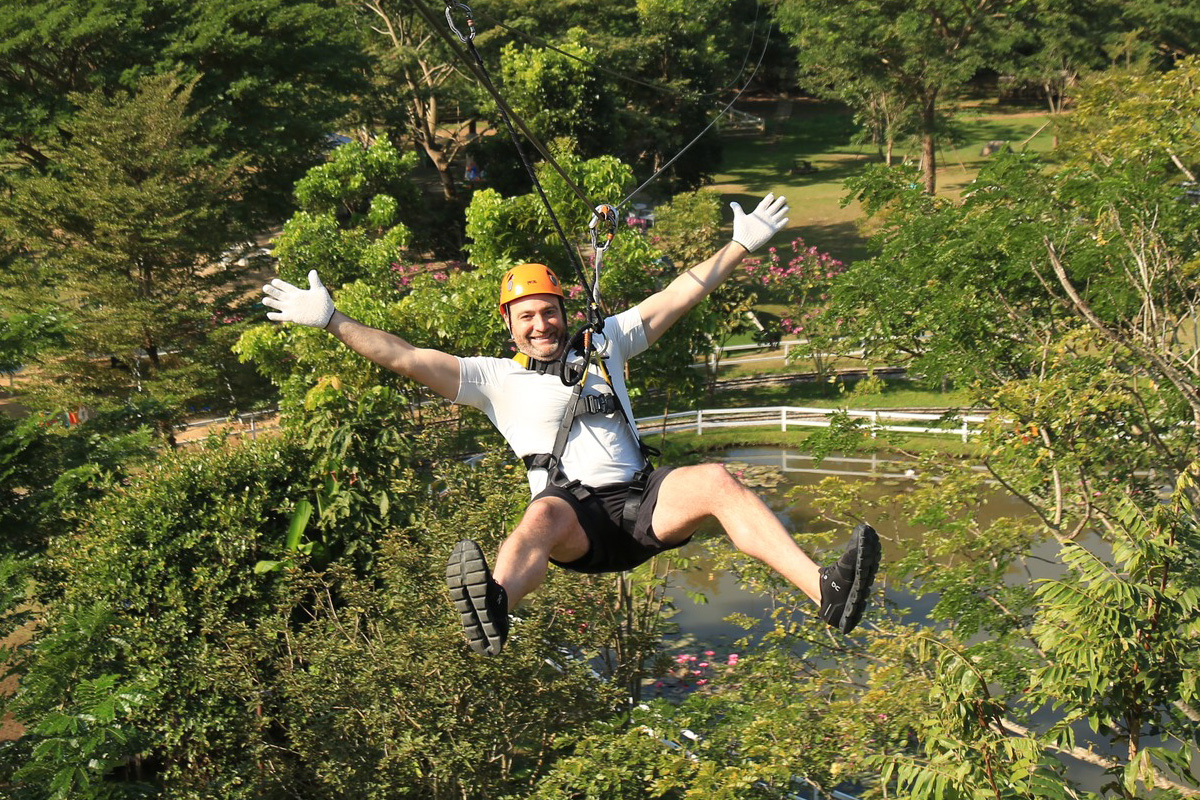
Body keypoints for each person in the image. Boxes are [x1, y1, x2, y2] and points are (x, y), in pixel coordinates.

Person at [261, 193, 880, 657]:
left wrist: (739, 245)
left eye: (549, 312)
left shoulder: (604, 343)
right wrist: (334, 321)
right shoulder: (490, 380)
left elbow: (676, 297)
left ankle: (826, 591)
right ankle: (494, 608)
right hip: (577, 522)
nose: (541, 325)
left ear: (565, 312)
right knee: (542, 514)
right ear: (510, 326)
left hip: (642, 506)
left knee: (717, 478)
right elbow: (404, 355)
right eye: (526, 316)